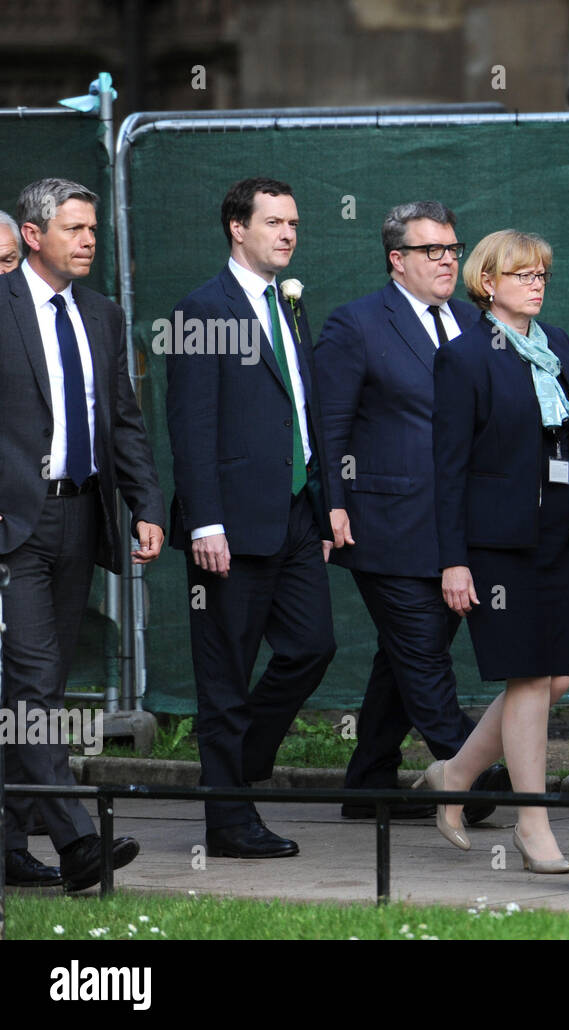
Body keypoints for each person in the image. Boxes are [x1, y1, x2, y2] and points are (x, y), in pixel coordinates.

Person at [316, 201, 507, 823]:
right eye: (433, 250)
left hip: (460, 530)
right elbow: (330, 427)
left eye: (453, 248)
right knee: (423, 655)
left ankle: (368, 782)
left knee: (401, 658)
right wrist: (333, 505)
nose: (448, 260)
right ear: (397, 260)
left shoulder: (474, 325)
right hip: (387, 527)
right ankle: (473, 774)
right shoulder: (357, 325)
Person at [1, 178, 164, 890]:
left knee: (40, 689)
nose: (89, 239)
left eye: (93, 228)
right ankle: (77, 842)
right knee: (33, 688)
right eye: (74, 228)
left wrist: (147, 505)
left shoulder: (102, 312)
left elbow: (123, 420)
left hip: (82, 516)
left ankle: (7, 849)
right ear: (33, 236)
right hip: (13, 526)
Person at [167, 177, 336, 859]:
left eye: (293, 222)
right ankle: (230, 822)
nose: (288, 233)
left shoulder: (289, 305)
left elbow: (305, 411)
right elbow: (191, 426)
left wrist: (325, 508)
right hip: (230, 528)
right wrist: (206, 523)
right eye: (274, 222)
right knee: (224, 678)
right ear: (237, 228)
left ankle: (237, 765)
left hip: (295, 514)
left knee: (312, 646)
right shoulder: (202, 308)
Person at [425, 230, 569, 874]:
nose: (537, 284)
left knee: (553, 679)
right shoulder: (464, 356)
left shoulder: (558, 346)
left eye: (542, 274)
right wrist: (454, 560)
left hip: (555, 533)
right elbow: (448, 468)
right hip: (495, 543)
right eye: (523, 275)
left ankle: (455, 775)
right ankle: (533, 822)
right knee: (527, 677)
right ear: (488, 284)